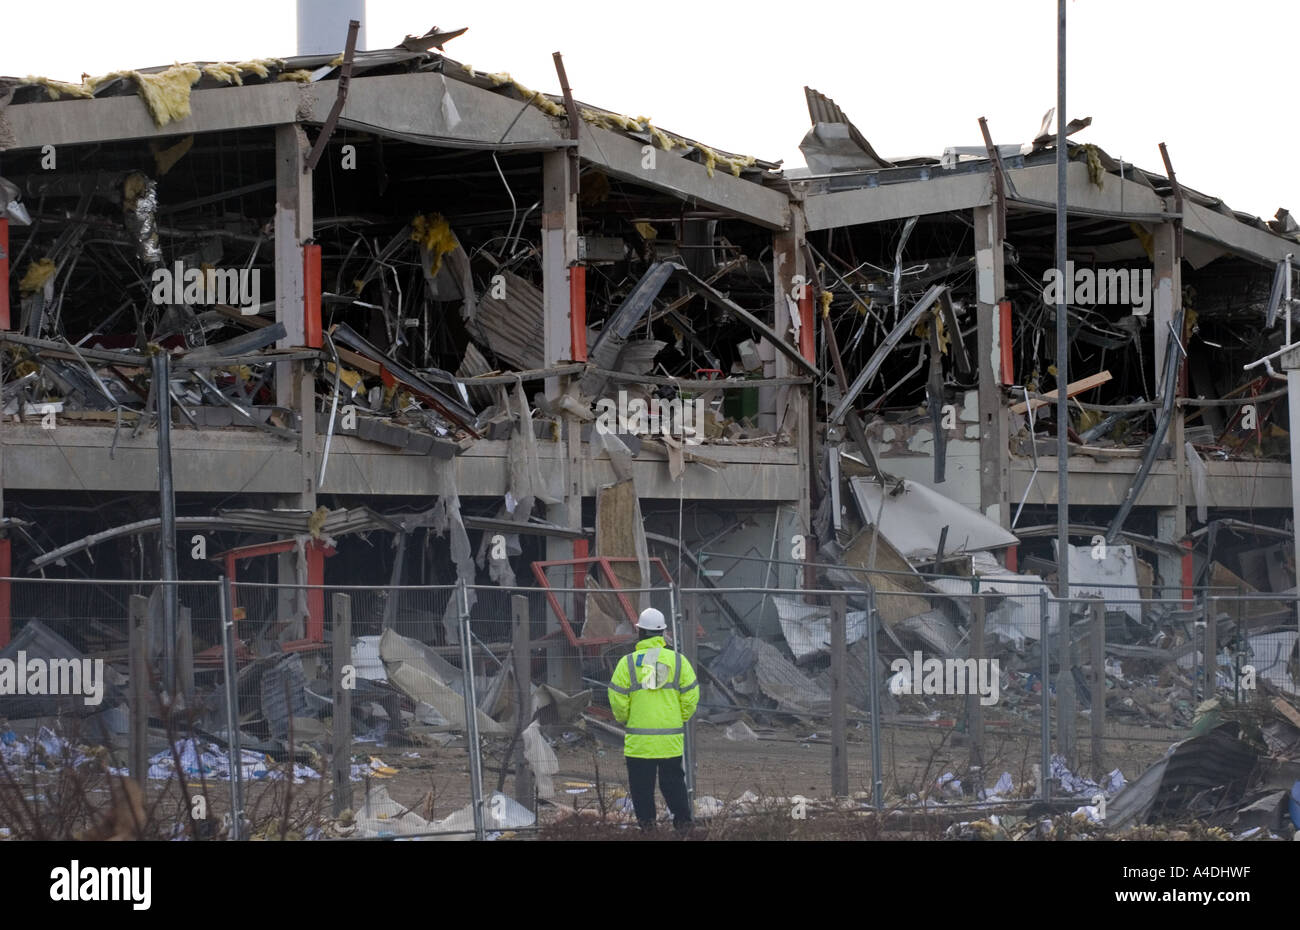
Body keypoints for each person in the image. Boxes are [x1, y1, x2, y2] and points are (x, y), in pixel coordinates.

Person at [607, 607, 699, 833]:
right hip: (670, 741)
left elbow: (617, 699)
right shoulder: (679, 661)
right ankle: (684, 826)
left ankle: (648, 830)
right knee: (674, 784)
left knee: (642, 789)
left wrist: (627, 718)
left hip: (640, 744)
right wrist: (679, 717)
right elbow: (691, 696)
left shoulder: (628, 663)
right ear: (663, 632)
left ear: (640, 632)